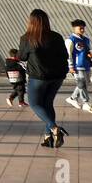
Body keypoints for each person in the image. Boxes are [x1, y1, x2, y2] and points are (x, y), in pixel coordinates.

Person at [18, 9, 70, 147]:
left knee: (35, 104)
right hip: (57, 76)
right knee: (47, 104)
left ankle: (54, 128)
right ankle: (48, 138)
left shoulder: (27, 38)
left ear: (31, 22)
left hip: (38, 77)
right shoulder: (57, 37)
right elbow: (65, 55)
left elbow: (21, 56)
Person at [65, 19, 92, 113]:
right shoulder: (71, 40)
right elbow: (68, 54)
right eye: (80, 28)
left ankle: (72, 98)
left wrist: (91, 54)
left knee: (84, 84)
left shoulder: (86, 39)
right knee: (82, 84)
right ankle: (86, 103)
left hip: (86, 65)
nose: (82, 30)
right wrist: (70, 66)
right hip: (77, 66)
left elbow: (89, 50)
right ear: (74, 28)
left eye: (83, 28)